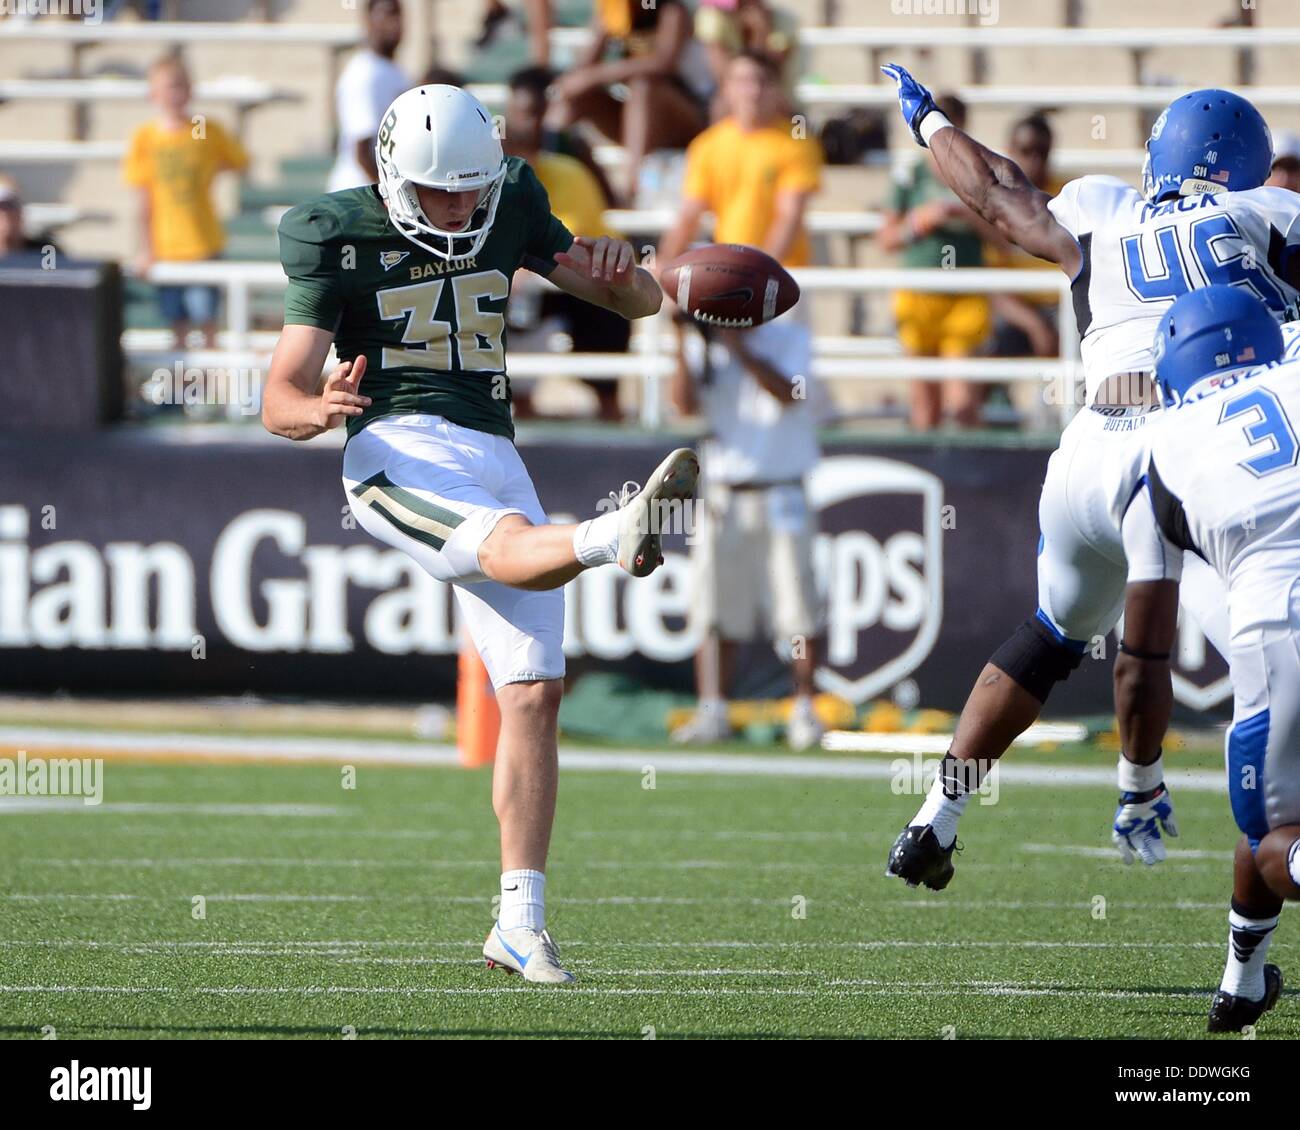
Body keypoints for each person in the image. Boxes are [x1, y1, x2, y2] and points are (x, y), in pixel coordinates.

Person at [262, 85, 698, 985]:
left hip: (494, 446)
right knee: (508, 549)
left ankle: (519, 926)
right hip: (393, 450)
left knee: (535, 693)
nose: (460, 207)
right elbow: (279, 397)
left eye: (471, 188)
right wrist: (320, 411)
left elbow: (643, 304)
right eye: (440, 192)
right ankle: (614, 532)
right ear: (392, 177)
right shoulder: (334, 232)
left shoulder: (514, 200)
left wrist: (621, 268)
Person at [876, 66, 1300, 891]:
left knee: (1047, 638)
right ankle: (1234, 922)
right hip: (1187, 443)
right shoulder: (1274, 211)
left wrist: (930, 124)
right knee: (1261, 667)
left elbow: (997, 192)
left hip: (1089, 447)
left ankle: (938, 816)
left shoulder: (1105, 208)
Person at [1113, 285, 1296, 1032]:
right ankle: (1242, 982)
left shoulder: (1161, 443)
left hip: (1276, 637)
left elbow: (1143, 650)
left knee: (1276, 842)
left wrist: (1137, 772)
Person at [668, 317, 826, 750]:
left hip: (782, 486)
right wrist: (681, 339)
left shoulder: (790, 335)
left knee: (797, 608)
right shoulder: (706, 342)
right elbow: (682, 405)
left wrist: (740, 349)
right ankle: (712, 708)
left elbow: (790, 394)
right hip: (723, 491)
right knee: (716, 607)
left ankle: (804, 709)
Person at [501, 67, 630, 421]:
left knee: (602, 305)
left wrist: (523, 269)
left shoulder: (569, 172)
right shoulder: (479, 192)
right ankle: (520, 416)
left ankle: (610, 409)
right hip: (519, 297)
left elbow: (570, 245)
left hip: (572, 292)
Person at [879, 94, 992, 431]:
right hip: (919, 294)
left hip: (964, 295)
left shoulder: (980, 175)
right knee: (924, 408)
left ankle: (974, 481)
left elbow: (1007, 241)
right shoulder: (910, 175)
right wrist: (919, 221)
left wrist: (968, 217)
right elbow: (886, 237)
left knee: (963, 406)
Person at [124, 54, 248, 349]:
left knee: (208, 322)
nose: (174, 94)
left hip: (203, 243)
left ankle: (210, 392)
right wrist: (147, 248)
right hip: (167, 248)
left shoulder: (204, 129)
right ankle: (181, 389)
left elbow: (237, 160)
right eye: (167, 87)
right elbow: (144, 199)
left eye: (179, 86)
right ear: (152, 93)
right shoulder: (145, 138)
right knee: (176, 325)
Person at [658, 50, 822, 271]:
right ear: (727, 88)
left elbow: (788, 217)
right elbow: (689, 215)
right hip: (730, 271)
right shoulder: (707, 145)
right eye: (744, 81)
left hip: (783, 273)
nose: (753, 91)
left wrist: (764, 272)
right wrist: (665, 263)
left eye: (763, 82)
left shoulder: (797, 143)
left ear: (777, 89)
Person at [545, 0, 708, 203]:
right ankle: (549, 162)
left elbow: (664, 63)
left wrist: (597, 74)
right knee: (576, 97)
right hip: (639, 120)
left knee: (643, 86)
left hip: (685, 117)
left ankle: (631, 187)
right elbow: (582, 71)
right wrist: (606, 25)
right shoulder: (614, 11)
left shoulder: (672, 11)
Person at [981, 115, 1067, 367]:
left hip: (1064, 307)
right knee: (982, 339)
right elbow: (992, 288)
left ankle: (1059, 402)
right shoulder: (994, 203)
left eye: (1042, 151)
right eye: (1026, 150)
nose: (1035, 159)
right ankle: (981, 405)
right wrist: (1035, 325)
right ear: (1010, 150)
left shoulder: (1068, 196)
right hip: (1016, 311)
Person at [326, 0, 410, 193]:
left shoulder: (394, 71)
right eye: (388, 14)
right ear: (369, 21)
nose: (395, 23)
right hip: (359, 193)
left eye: (399, 15)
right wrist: (391, 195)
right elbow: (362, 151)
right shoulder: (364, 74)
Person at [694, 0, 800, 114]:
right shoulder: (712, 17)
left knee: (773, 100)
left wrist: (760, 33)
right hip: (724, 98)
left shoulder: (785, 21)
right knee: (725, 103)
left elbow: (773, 75)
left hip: (776, 95)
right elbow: (725, 78)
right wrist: (758, 38)